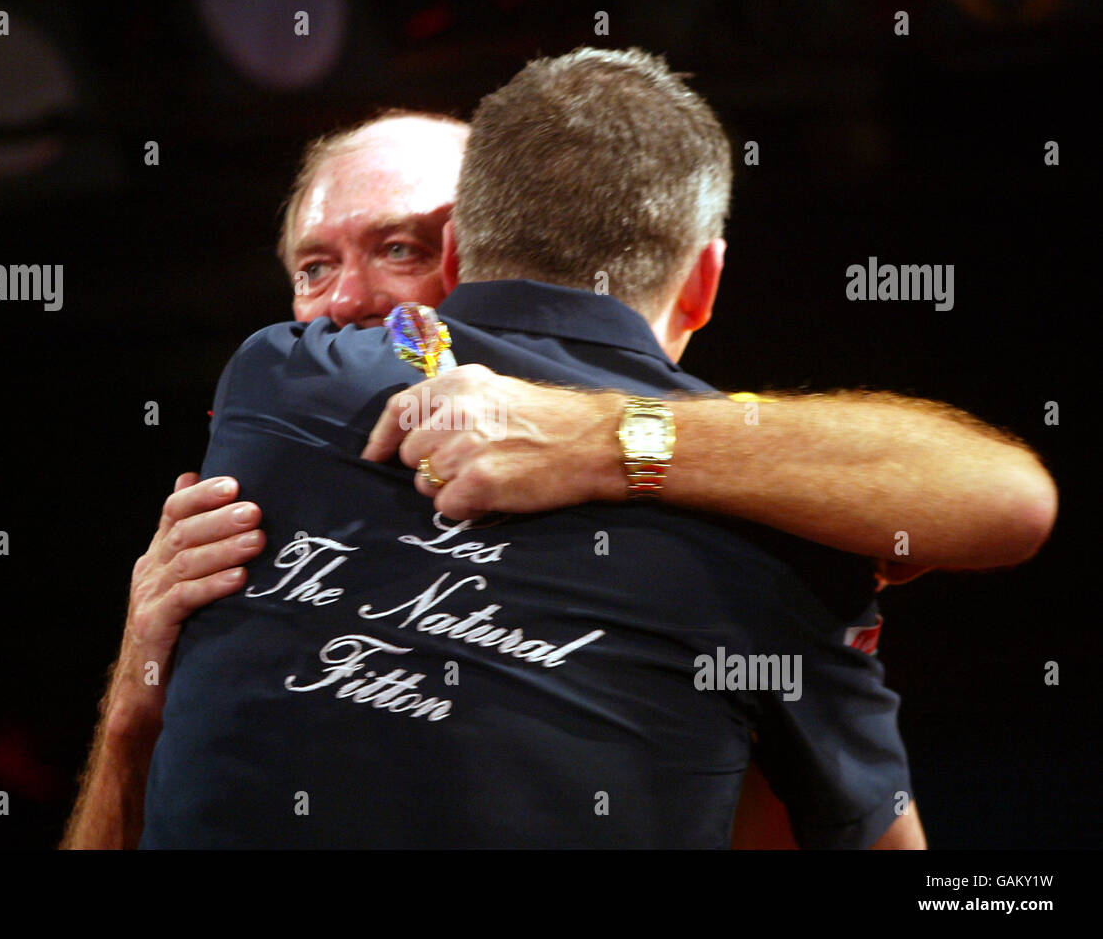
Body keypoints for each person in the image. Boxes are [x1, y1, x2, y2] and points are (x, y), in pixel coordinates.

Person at [96, 47, 1054, 848]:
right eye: (315, 266)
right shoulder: (774, 541)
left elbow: (997, 497)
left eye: (401, 250)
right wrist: (130, 719)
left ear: (467, 252)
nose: (350, 306)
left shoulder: (280, 373)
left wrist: (607, 439)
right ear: (703, 281)